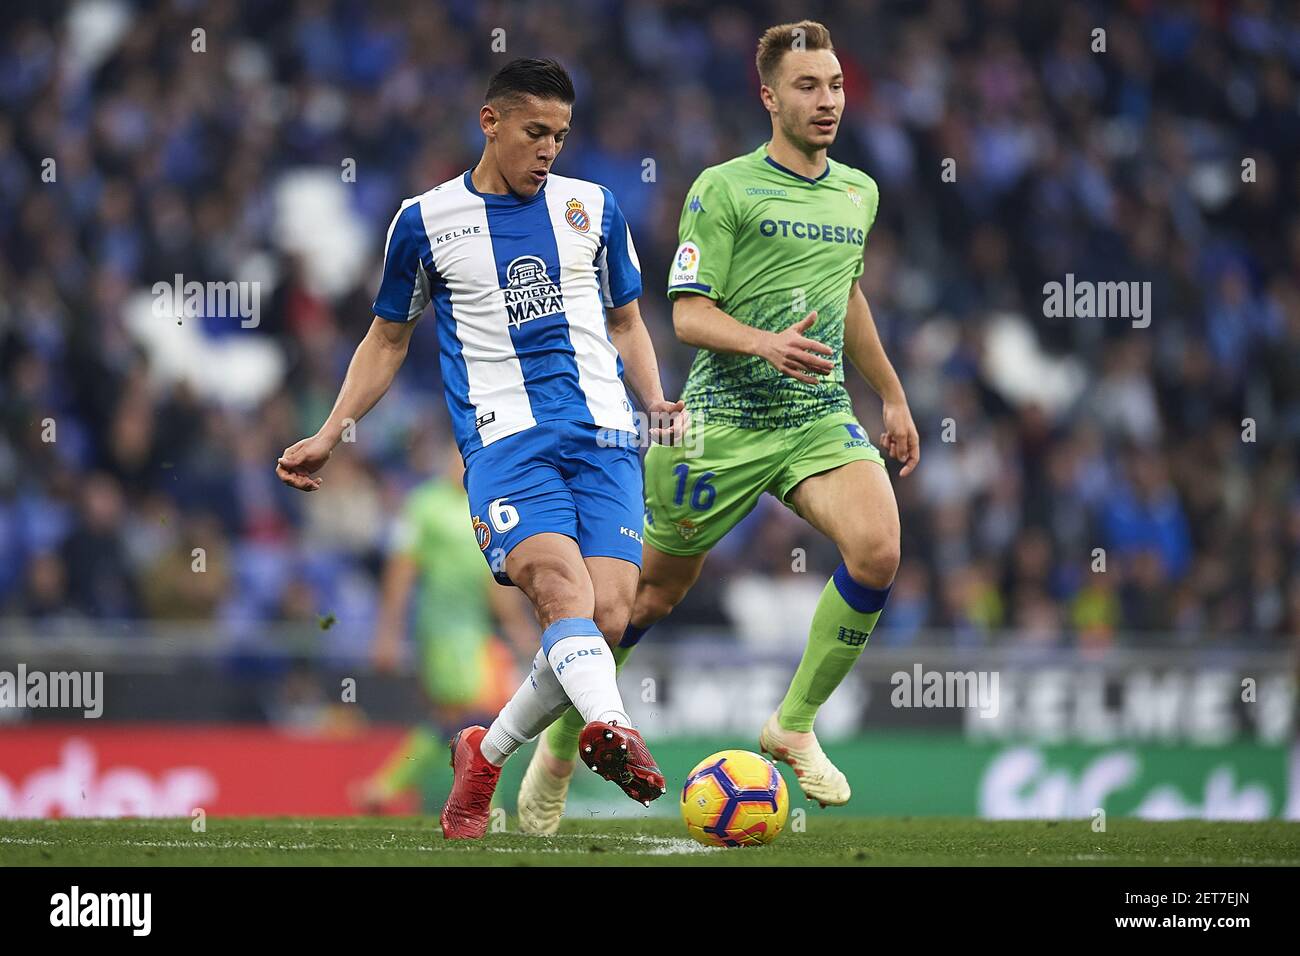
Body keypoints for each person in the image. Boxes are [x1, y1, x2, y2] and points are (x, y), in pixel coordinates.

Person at [517, 21, 919, 834]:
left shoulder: (858, 192)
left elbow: (848, 298)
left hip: (815, 417)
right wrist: (764, 343)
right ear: (768, 97)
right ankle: (560, 748)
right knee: (631, 607)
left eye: (836, 84)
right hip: (716, 424)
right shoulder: (723, 188)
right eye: (808, 86)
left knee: (878, 549)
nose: (828, 100)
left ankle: (793, 725)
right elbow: (690, 316)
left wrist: (894, 396)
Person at [277, 57, 687, 840]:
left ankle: (484, 753)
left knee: (605, 620)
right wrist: (331, 432)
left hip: (606, 440)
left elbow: (628, 320)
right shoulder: (424, 222)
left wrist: (654, 399)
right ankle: (613, 724)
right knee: (560, 597)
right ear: (489, 121)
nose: (548, 151)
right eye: (535, 132)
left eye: (561, 136)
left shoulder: (594, 207)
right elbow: (388, 338)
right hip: (508, 448)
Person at [353, 443, 536, 814]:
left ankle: (384, 789)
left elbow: (492, 581)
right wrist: (386, 635)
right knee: (475, 715)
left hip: (478, 633)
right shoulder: (423, 505)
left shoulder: (484, 506)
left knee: (464, 719)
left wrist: (521, 630)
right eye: (461, 455)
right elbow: (401, 571)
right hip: (442, 631)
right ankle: (480, 804)